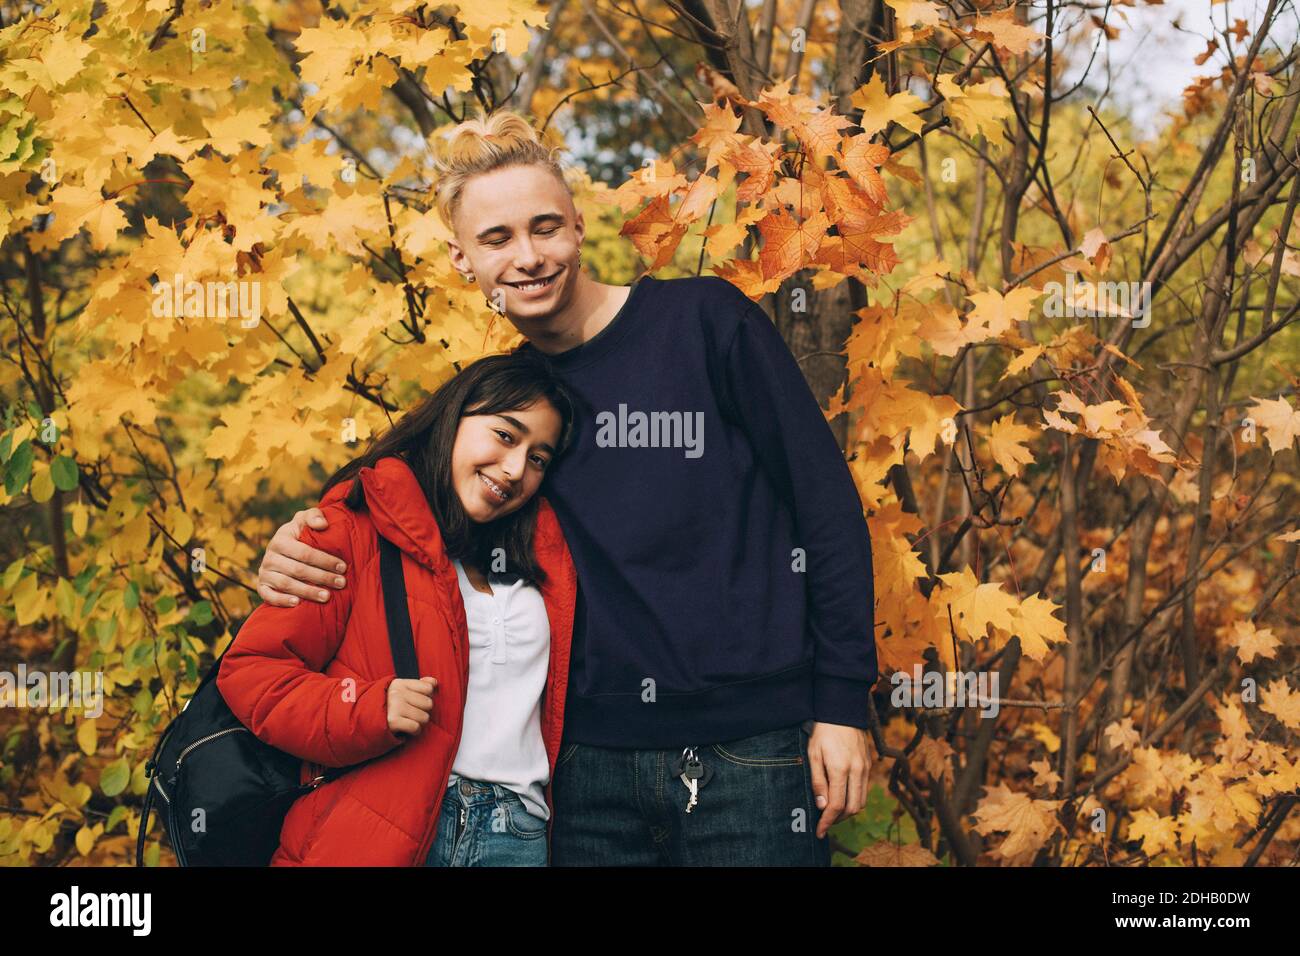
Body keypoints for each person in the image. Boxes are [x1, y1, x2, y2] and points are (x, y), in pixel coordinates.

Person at [253, 108, 878, 866]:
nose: (528, 256)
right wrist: (301, 541)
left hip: (750, 753)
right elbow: (389, 500)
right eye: (497, 239)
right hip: (583, 775)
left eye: (545, 227)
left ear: (579, 228)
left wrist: (842, 702)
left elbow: (827, 510)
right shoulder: (509, 407)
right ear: (462, 261)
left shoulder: (705, 323)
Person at [217, 350, 579, 865]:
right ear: (454, 417)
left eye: (538, 458)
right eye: (504, 435)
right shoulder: (353, 528)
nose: (516, 468)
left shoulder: (544, 557)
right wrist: (364, 708)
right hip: (376, 825)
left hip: (516, 834)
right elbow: (253, 672)